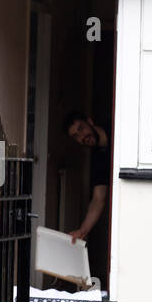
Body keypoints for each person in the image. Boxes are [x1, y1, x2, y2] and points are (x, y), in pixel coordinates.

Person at [63, 110, 111, 285]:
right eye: (76, 136)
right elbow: (99, 198)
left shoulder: (117, 125)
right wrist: (82, 231)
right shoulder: (98, 159)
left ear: (90, 121)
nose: (82, 137)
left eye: (82, 128)